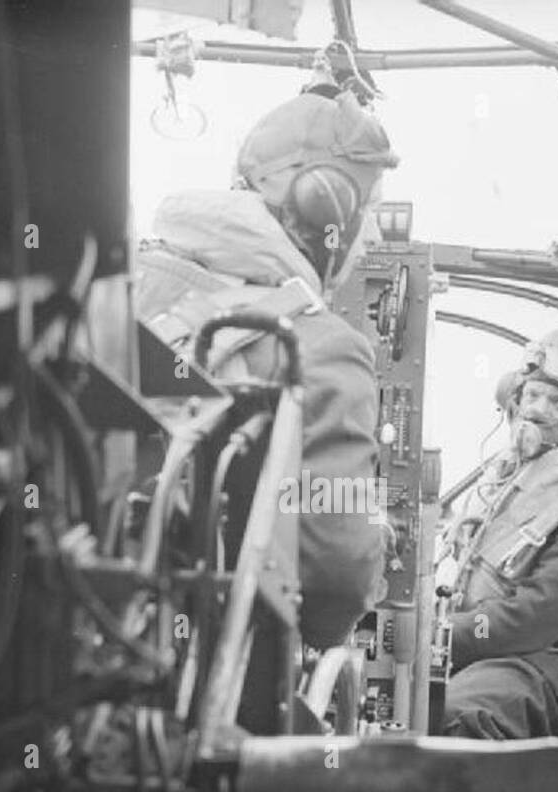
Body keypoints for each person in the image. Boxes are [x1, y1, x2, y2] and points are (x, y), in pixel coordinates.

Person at [132, 85, 398, 716]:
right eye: (369, 215)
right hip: (197, 708)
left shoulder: (120, 283)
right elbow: (335, 580)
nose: (368, 244)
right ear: (329, 208)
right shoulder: (323, 347)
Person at [439, 328, 558, 740]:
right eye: (531, 396)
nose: (537, 411)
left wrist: (440, 637)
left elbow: (536, 619)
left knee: (459, 711)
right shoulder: (512, 472)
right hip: (494, 649)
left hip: (554, 659)